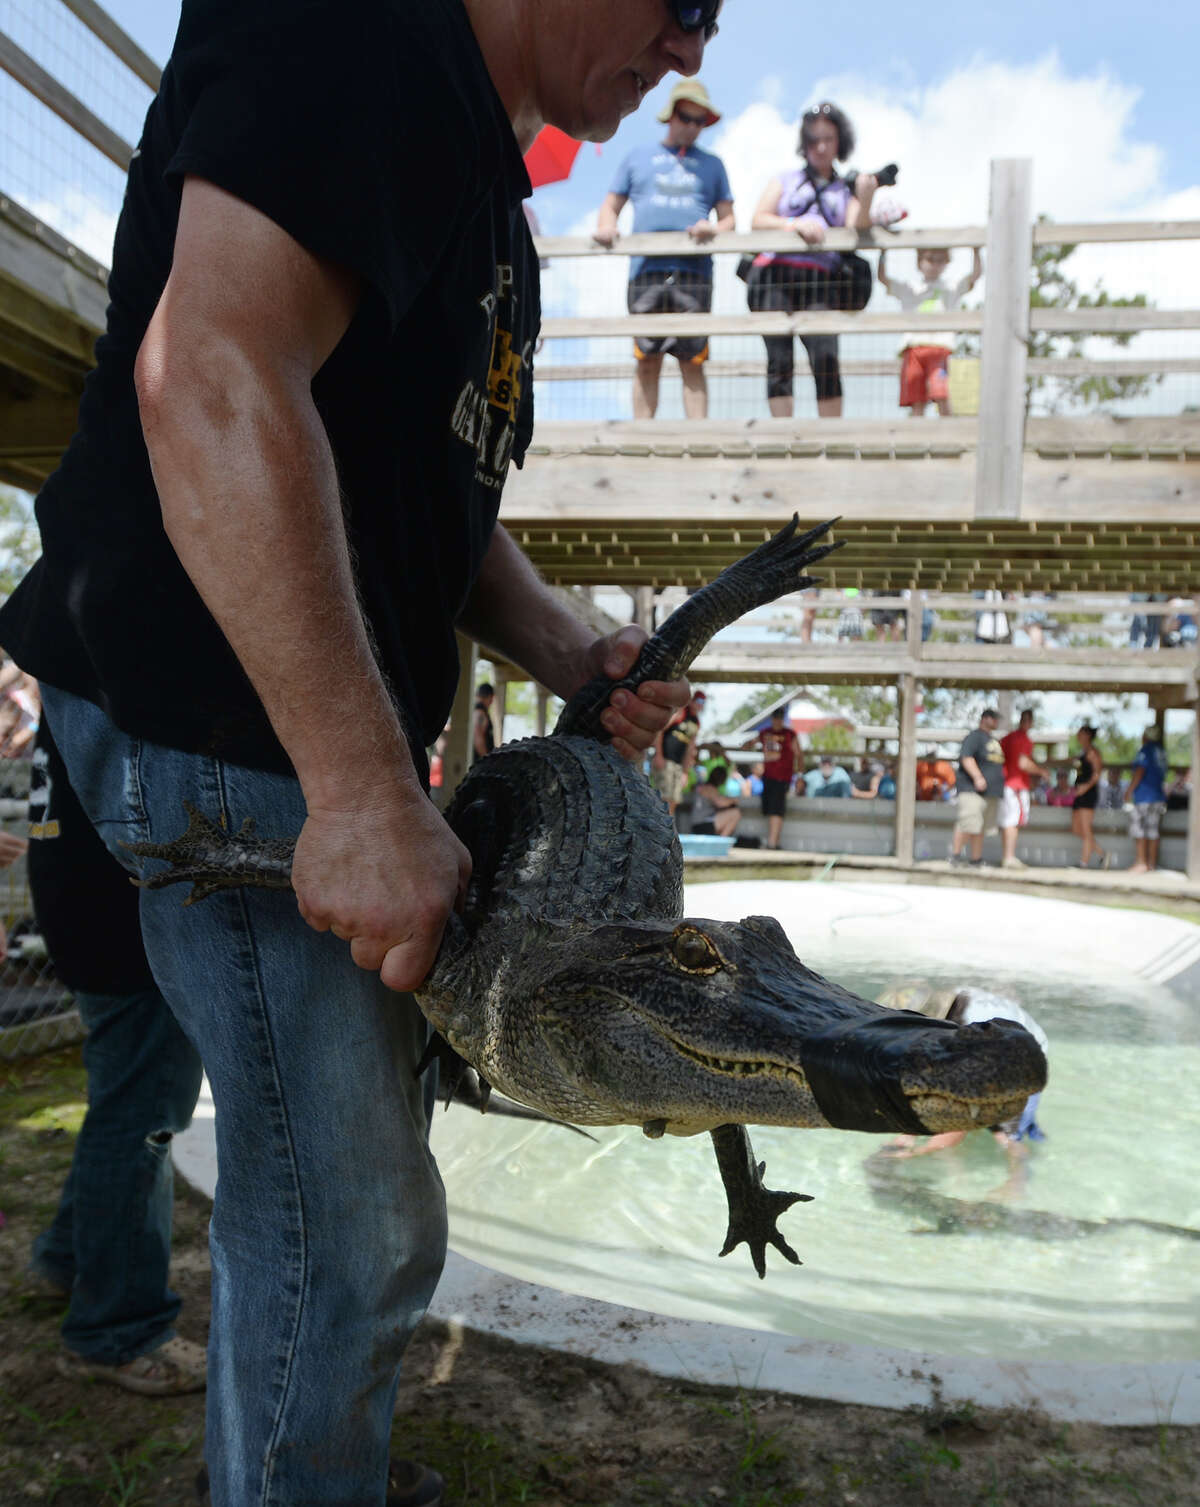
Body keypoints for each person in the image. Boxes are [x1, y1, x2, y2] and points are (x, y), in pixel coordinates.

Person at [0, 4, 713, 1502]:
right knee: (354, 1216)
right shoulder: (363, 26)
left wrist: (569, 646)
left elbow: (421, 497)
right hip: (219, 709)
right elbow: (211, 374)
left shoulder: (480, 181)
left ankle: (309, 1453)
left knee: (346, 1201)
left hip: (297, 731)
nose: (691, 50)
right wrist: (361, 785)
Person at [21, 715, 207, 1396]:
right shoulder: (126, 619)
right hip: (118, 908)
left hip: (78, 891)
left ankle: (67, 1255)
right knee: (142, 1117)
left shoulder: (66, 624)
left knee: (124, 1098)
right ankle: (116, 1329)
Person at [594, 78, 733, 420]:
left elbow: (729, 220)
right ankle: (642, 439)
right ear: (671, 115)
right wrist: (607, 227)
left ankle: (698, 440)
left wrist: (712, 228)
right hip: (646, 271)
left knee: (693, 360)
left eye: (699, 121)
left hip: (694, 272)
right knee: (646, 359)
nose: (691, 126)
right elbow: (610, 205)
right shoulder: (638, 157)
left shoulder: (713, 165)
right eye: (686, 117)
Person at [746, 101, 877, 418]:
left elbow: (855, 227)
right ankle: (784, 439)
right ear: (804, 143)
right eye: (814, 139)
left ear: (839, 142)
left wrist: (866, 195)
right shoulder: (784, 180)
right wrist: (793, 225)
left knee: (826, 357)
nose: (821, 146)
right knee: (779, 359)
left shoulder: (845, 189)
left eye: (828, 139)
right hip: (774, 276)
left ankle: (830, 441)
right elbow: (758, 219)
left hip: (821, 280)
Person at [876, 984, 1048, 1174]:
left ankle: (1016, 1184)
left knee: (1007, 1134)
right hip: (1000, 1040)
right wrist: (909, 1132)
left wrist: (924, 1151)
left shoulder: (978, 1037)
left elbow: (964, 1113)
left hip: (1024, 1056)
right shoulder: (952, 1003)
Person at [877, 246, 982, 417]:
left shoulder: (951, 287)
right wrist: (883, 253)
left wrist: (976, 251)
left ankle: (948, 435)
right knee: (915, 397)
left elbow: (975, 276)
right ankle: (917, 438)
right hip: (913, 349)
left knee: (941, 393)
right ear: (919, 263)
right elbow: (883, 278)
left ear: (946, 263)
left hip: (939, 348)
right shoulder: (909, 288)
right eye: (930, 259)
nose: (934, 265)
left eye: (940, 260)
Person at [950, 708, 1004, 866]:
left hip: (989, 793)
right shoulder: (974, 737)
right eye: (993, 718)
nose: (996, 721)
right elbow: (966, 757)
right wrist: (978, 777)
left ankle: (976, 858)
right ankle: (955, 856)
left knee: (979, 827)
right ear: (985, 718)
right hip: (971, 790)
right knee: (967, 823)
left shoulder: (991, 740)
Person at [743, 705, 799, 849]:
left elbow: (798, 753)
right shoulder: (765, 732)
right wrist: (746, 744)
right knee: (769, 808)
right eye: (775, 718)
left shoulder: (789, 734)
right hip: (768, 777)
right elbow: (752, 742)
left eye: (780, 718)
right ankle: (773, 842)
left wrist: (799, 774)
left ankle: (772, 843)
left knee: (776, 809)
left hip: (783, 777)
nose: (777, 721)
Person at [998, 709, 1047, 869]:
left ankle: (1007, 856)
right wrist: (1041, 772)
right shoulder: (1024, 739)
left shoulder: (1008, 738)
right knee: (1012, 822)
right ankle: (1009, 858)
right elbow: (1023, 763)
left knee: (1008, 821)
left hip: (1006, 784)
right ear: (1030, 722)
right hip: (1016, 786)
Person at [652, 688, 707, 818]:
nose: (700, 704)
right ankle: (659, 828)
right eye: (698, 700)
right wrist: (658, 755)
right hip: (665, 759)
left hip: (678, 764)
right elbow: (659, 731)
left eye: (703, 702)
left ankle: (667, 829)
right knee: (663, 797)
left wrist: (685, 772)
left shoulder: (696, 722)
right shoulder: (681, 713)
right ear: (692, 700)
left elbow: (690, 749)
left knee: (675, 799)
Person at [1126, 725, 1168, 874]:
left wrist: (1129, 791)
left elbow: (1140, 771)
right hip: (1158, 796)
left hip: (1144, 796)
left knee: (1139, 829)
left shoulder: (1145, 750)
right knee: (1153, 831)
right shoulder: (1162, 752)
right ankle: (1151, 864)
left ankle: (1141, 862)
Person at [1070, 723, 1108, 869]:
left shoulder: (1093, 753)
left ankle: (1083, 863)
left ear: (1087, 736)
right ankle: (1101, 853)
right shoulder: (1082, 752)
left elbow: (1097, 774)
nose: (1078, 735)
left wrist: (1085, 787)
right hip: (1078, 793)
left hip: (1088, 794)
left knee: (1086, 829)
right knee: (1076, 828)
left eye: (1081, 733)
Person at [688, 760, 741, 838]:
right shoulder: (710, 788)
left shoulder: (704, 786)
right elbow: (720, 802)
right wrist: (734, 800)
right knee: (736, 813)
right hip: (702, 825)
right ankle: (721, 842)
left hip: (698, 824)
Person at [472, 682, 496, 763]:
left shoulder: (477, 711)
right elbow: (477, 737)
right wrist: (486, 760)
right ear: (491, 697)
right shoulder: (480, 712)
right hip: (478, 763)